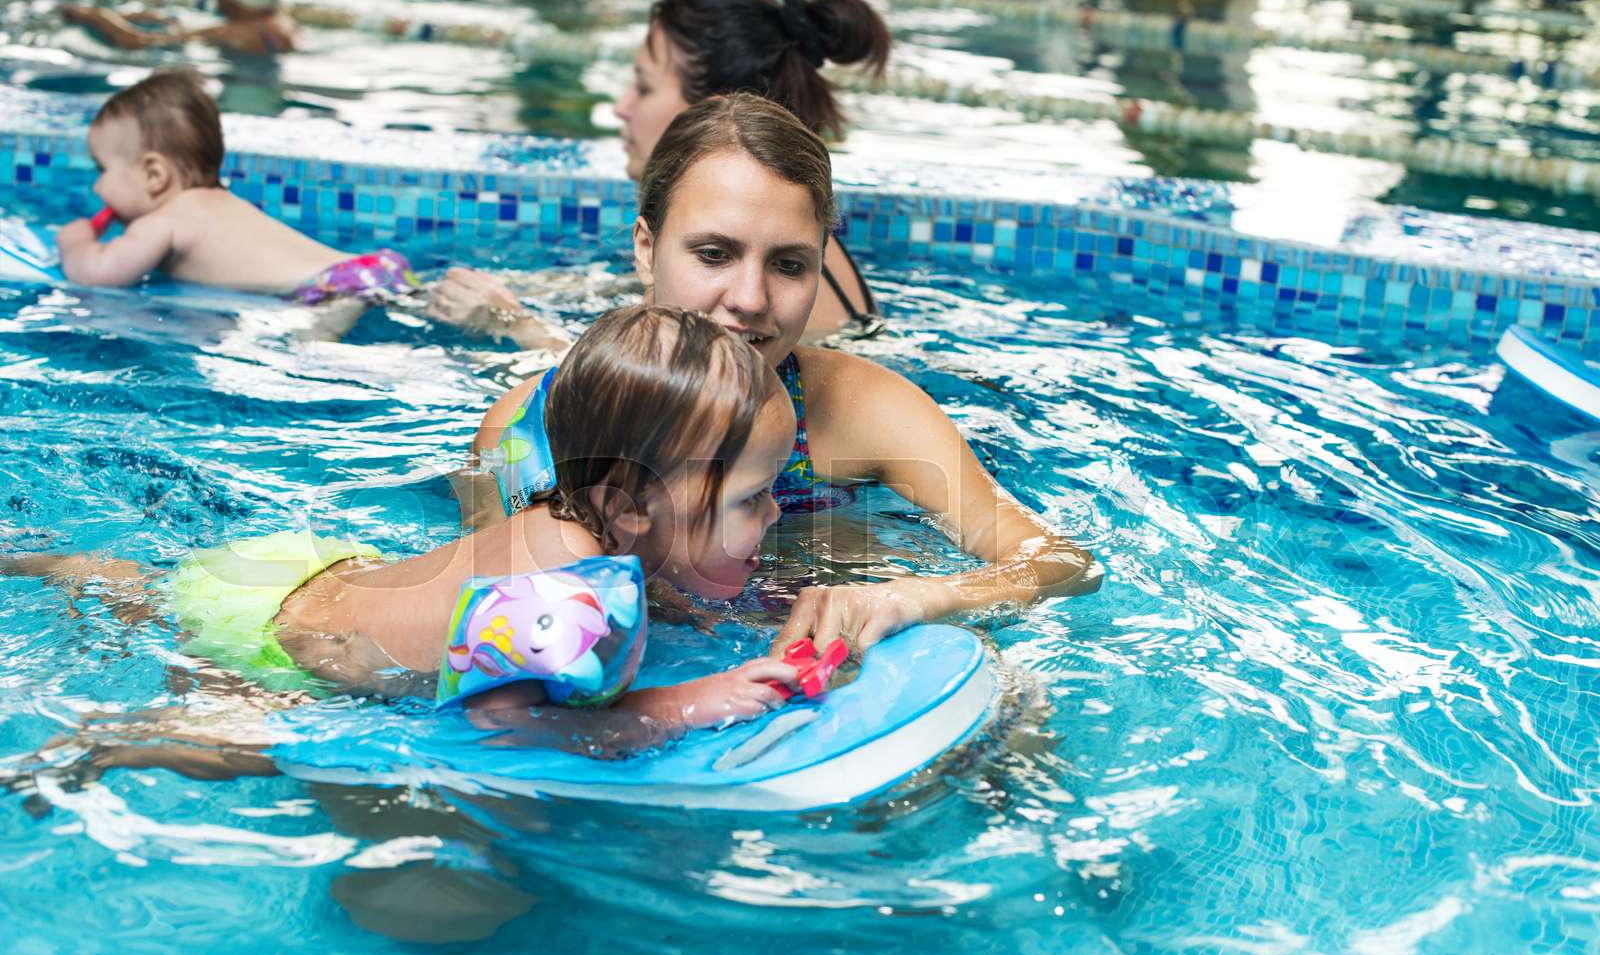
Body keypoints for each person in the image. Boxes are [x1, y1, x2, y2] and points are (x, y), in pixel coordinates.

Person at [4, 305, 804, 755]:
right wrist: (686, 703)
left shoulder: (571, 516)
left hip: (304, 570)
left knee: (133, 587)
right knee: (236, 749)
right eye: (752, 498)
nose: (773, 514)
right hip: (272, 644)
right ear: (631, 510)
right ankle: (82, 748)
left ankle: (63, 564)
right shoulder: (568, 598)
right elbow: (505, 725)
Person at [471, 94, 1102, 660]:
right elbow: (491, 619)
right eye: (713, 254)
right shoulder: (531, 431)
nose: (749, 298)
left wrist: (914, 598)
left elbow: (1061, 561)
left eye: (789, 265)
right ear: (645, 248)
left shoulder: (862, 410)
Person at [427, 0, 891, 343]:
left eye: (646, 88)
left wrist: (520, 327)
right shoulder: (777, 255)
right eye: (713, 255)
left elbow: (676, 401)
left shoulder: (786, 309)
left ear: (714, 115)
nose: (622, 107)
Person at [54, 71, 417, 324]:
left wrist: (76, 243)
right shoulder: (221, 204)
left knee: (308, 357)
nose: (97, 188)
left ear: (154, 174)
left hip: (329, 293)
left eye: (101, 169)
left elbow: (97, 275)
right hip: (372, 268)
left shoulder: (164, 221)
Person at [60, 0, 298, 56]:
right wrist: (165, 21)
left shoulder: (232, 32)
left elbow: (136, 42)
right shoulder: (281, 23)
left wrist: (96, 16)